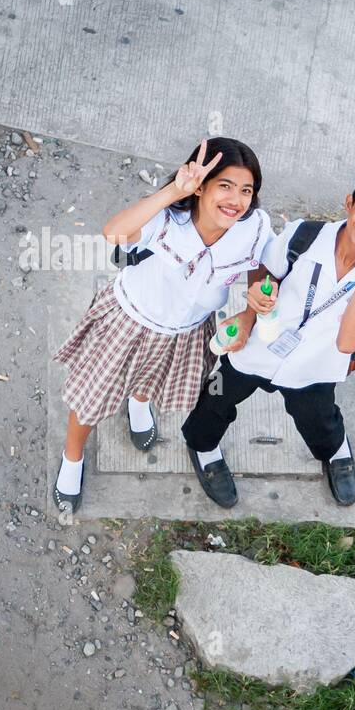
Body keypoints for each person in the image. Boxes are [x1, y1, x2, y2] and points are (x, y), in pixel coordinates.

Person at [180, 164, 355, 508]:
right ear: (349, 202)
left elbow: (347, 343)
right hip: (258, 346)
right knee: (216, 397)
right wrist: (252, 311)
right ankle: (203, 446)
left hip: (316, 364)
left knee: (319, 418)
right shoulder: (304, 235)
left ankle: (334, 452)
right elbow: (264, 268)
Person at [51, 138, 270, 513]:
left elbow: (259, 267)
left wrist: (249, 315)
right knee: (90, 397)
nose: (236, 199)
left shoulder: (254, 226)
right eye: (225, 186)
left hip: (189, 332)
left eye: (246, 190)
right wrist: (172, 192)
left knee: (153, 380)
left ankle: (138, 404)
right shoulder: (167, 219)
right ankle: (73, 457)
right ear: (200, 186)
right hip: (130, 321)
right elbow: (114, 233)